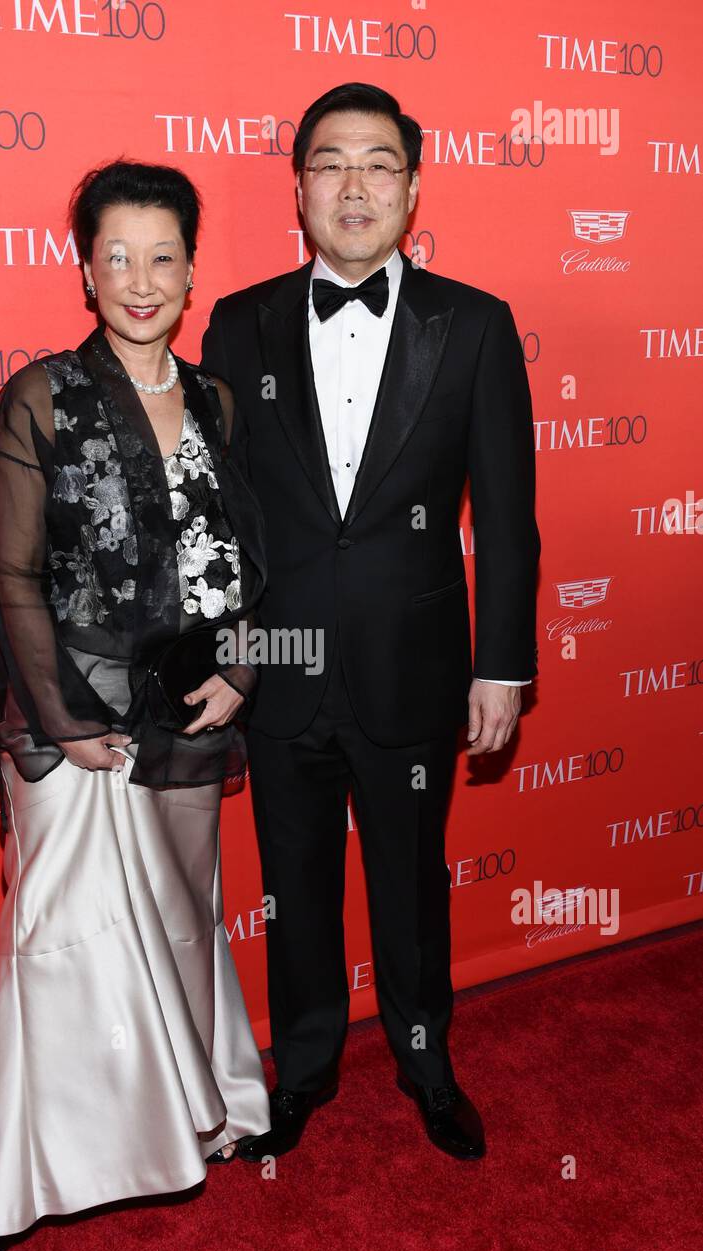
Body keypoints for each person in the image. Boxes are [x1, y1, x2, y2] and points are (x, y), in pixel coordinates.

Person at [0, 160, 270, 1251]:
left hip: (189, 714)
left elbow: (254, 564)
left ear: (189, 271)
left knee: (176, 919)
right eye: (115, 256)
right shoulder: (39, 397)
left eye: (161, 257)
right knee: (60, 938)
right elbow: (12, 575)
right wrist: (64, 718)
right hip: (69, 717)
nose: (139, 279)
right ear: (83, 268)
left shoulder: (217, 401)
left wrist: (247, 668)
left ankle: (188, 1111)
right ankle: (9, 1179)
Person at [201, 84, 541, 1163]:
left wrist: (502, 668)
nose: (354, 186)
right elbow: (216, 518)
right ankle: (300, 1071)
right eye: (330, 164)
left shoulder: (475, 325)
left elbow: (510, 515)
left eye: (378, 163)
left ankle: (426, 1061)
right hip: (280, 666)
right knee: (291, 886)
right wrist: (228, 658)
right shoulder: (237, 321)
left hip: (416, 664)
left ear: (412, 185)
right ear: (297, 188)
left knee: (409, 878)